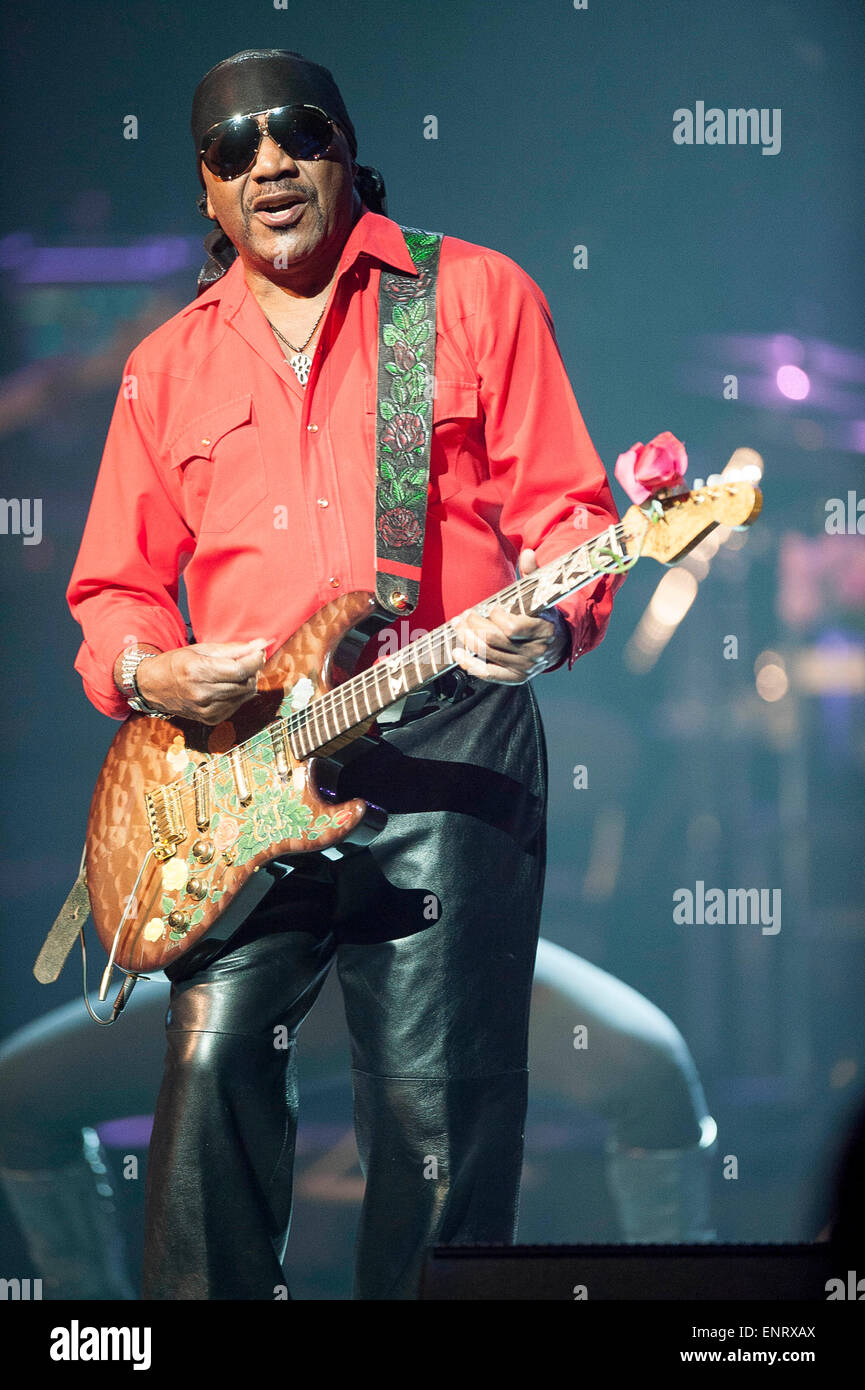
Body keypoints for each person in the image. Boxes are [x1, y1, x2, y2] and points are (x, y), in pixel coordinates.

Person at [66, 48, 623, 1300]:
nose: (267, 162)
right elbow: (112, 591)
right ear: (207, 192)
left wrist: (555, 618)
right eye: (231, 149)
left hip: (444, 742)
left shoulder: (469, 295)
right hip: (240, 780)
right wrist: (153, 674)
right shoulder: (167, 365)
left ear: (344, 150)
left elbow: (576, 521)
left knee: (431, 1124)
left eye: (294, 133)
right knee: (209, 1079)